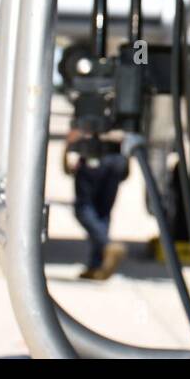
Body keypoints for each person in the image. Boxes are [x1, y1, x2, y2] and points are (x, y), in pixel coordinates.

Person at [64, 119, 128, 280]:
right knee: (102, 212)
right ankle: (97, 265)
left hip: (93, 155)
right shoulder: (121, 102)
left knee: (83, 208)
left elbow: (76, 132)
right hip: (116, 157)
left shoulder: (92, 99)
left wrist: (69, 149)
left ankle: (107, 245)